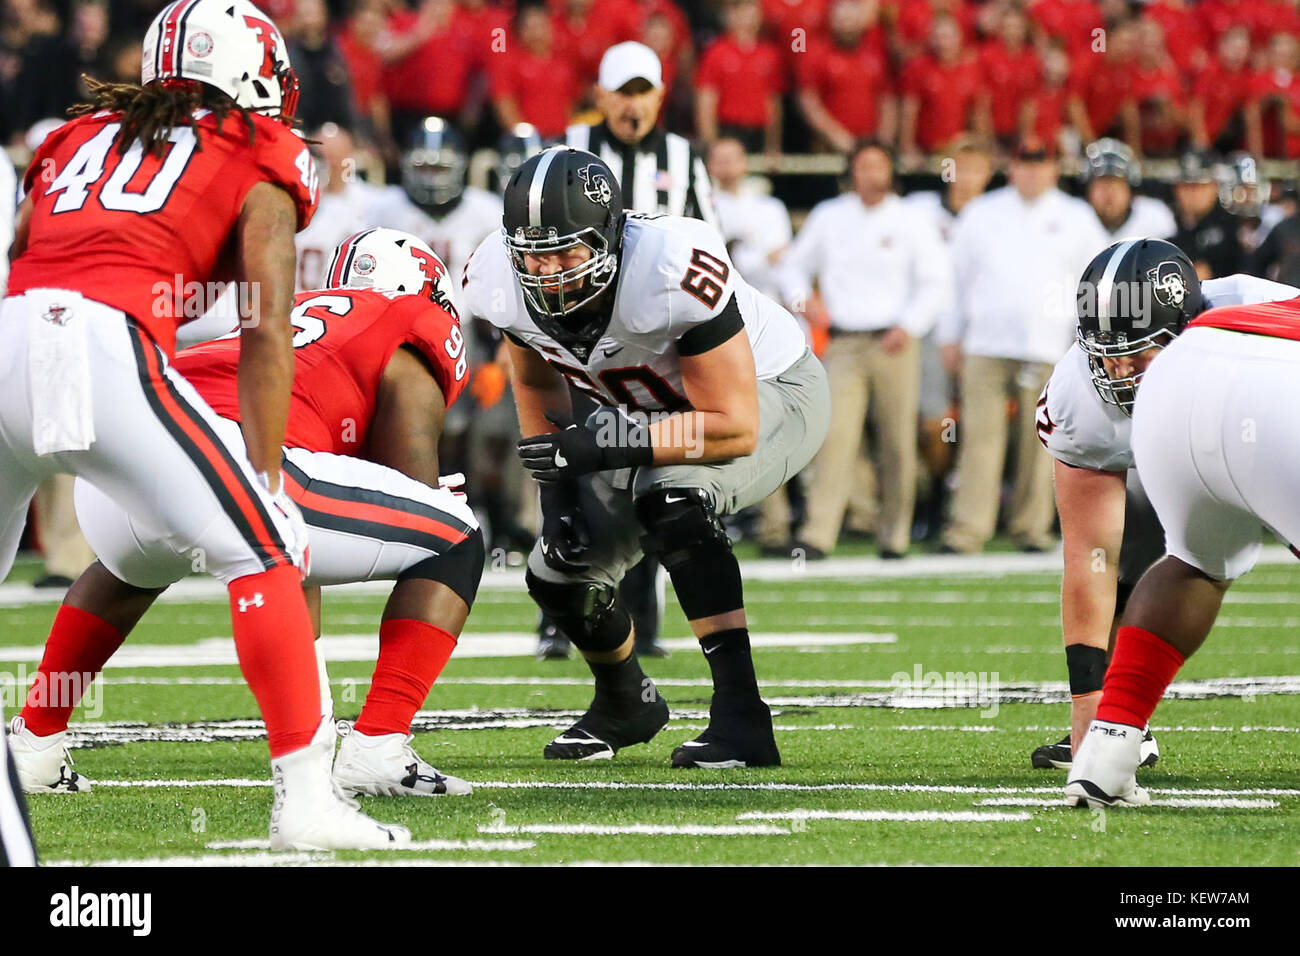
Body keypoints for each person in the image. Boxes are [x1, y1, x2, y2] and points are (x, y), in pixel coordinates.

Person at [1, 0, 405, 850]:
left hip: (9, 336)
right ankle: (306, 802)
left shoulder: (70, 138)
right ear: (254, 75)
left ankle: (32, 750)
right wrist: (264, 479)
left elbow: (35, 249)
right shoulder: (261, 146)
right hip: (99, 344)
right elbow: (264, 320)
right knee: (268, 545)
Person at [463, 148, 828, 766]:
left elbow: (733, 427)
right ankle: (624, 700)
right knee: (558, 571)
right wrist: (557, 492)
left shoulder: (670, 267)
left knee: (673, 497)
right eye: (533, 255)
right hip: (644, 416)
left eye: (566, 252)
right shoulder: (497, 277)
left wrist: (601, 445)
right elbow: (535, 379)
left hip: (770, 392)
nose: (548, 272)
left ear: (609, 236)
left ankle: (742, 715)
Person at [1032, 237, 1298, 771]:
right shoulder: (1078, 397)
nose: (1119, 371)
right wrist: (1086, 708)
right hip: (1186, 454)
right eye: (1106, 352)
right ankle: (1114, 724)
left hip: (1271, 424)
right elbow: (1090, 556)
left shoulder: (1260, 312)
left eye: (1137, 351)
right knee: (1138, 563)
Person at [547, 40, 718, 661]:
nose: (633, 104)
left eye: (643, 91)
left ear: (660, 97)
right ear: (600, 97)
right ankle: (561, 611)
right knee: (576, 472)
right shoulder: (567, 148)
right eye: (623, 91)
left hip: (659, 349)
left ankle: (641, 620)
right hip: (580, 340)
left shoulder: (682, 157)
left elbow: (710, 243)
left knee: (650, 474)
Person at [782, 139, 952, 559]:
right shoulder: (829, 216)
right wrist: (805, 300)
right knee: (833, 437)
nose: (871, 174)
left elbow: (936, 280)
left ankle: (895, 535)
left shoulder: (910, 219)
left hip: (893, 342)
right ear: (851, 172)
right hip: (842, 340)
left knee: (897, 441)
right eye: (863, 166)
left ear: (891, 171)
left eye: (879, 166)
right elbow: (792, 266)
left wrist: (910, 325)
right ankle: (820, 532)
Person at [939, 136, 1109, 554]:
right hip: (985, 341)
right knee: (979, 439)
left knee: (1043, 441)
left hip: (1050, 344)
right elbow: (954, 279)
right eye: (1024, 162)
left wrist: (1086, 341)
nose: (1032, 171)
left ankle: (1032, 528)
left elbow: (1096, 280)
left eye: (1040, 162)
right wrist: (950, 334)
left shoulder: (1077, 216)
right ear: (1011, 167)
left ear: (1054, 168)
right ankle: (968, 530)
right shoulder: (982, 212)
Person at [1082, 138, 1177, 241]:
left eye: (1116, 184)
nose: (1109, 193)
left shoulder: (1155, 215)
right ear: (1088, 189)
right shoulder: (1074, 218)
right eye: (1102, 184)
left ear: (1130, 189)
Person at [1172, 149, 1245, 278]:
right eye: (1185, 186)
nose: (1191, 194)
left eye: (1199, 186)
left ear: (1214, 186)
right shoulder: (1167, 221)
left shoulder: (1231, 226)